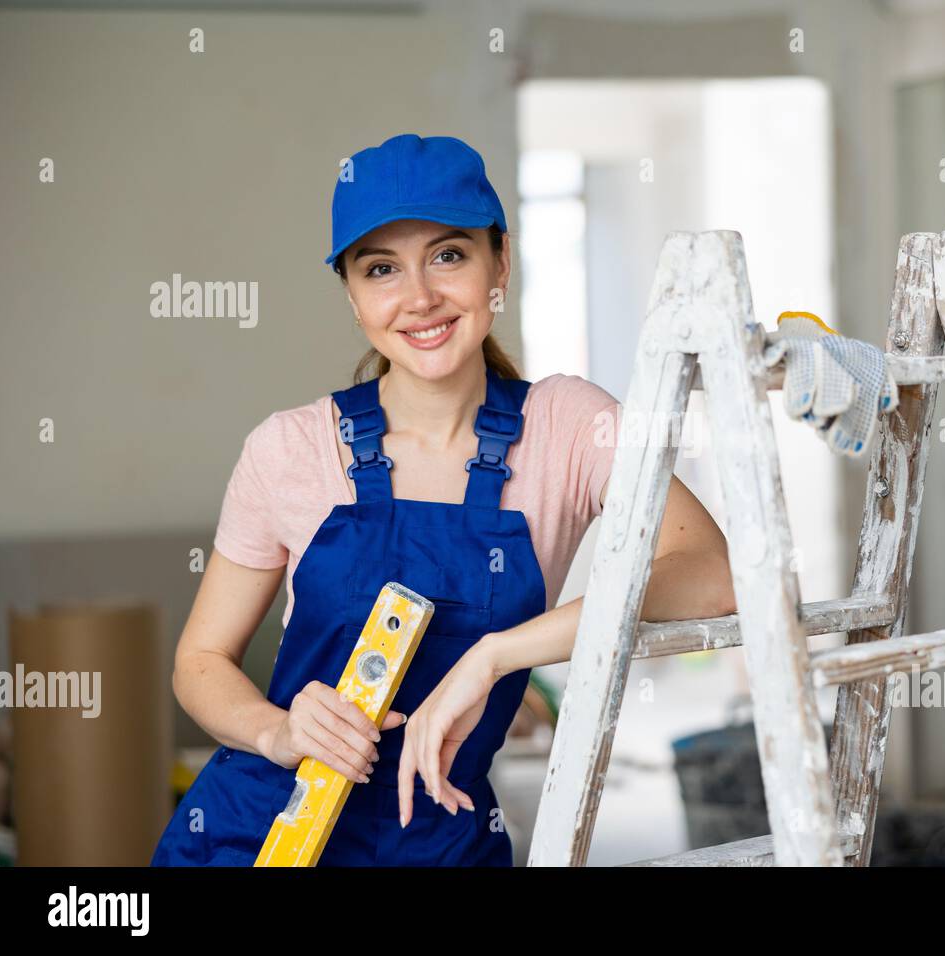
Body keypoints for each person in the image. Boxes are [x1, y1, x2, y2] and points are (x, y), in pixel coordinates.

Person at [150, 133, 738, 866]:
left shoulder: (567, 426)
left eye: (450, 255)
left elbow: (711, 576)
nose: (420, 297)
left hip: (444, 839)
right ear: (352, 294)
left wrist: (497, 654)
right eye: (381, 269)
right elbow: (199, 660)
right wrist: (277, 731)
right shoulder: (290, 448)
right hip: (259, 834)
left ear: (502, 262)